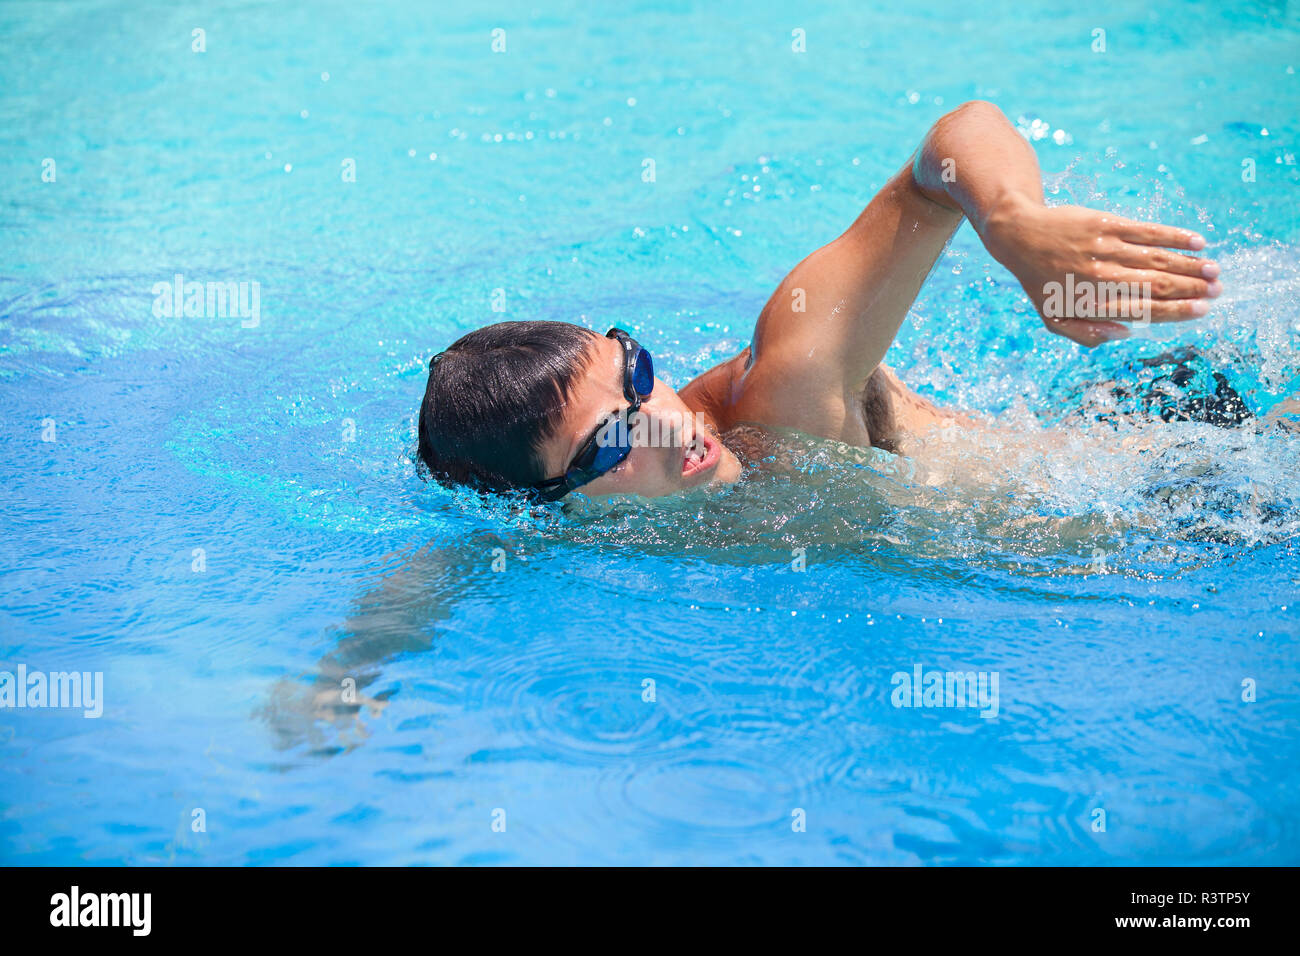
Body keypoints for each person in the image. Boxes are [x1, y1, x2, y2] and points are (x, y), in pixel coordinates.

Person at [417, 100, 1222, 501]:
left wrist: (1013, 223)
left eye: (638, 374)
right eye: (609, 441)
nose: (667, 419)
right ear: (548, 505)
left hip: (1193, 485)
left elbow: (952, 145)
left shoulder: (778, 399)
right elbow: (449, 562)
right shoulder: (561, 525)